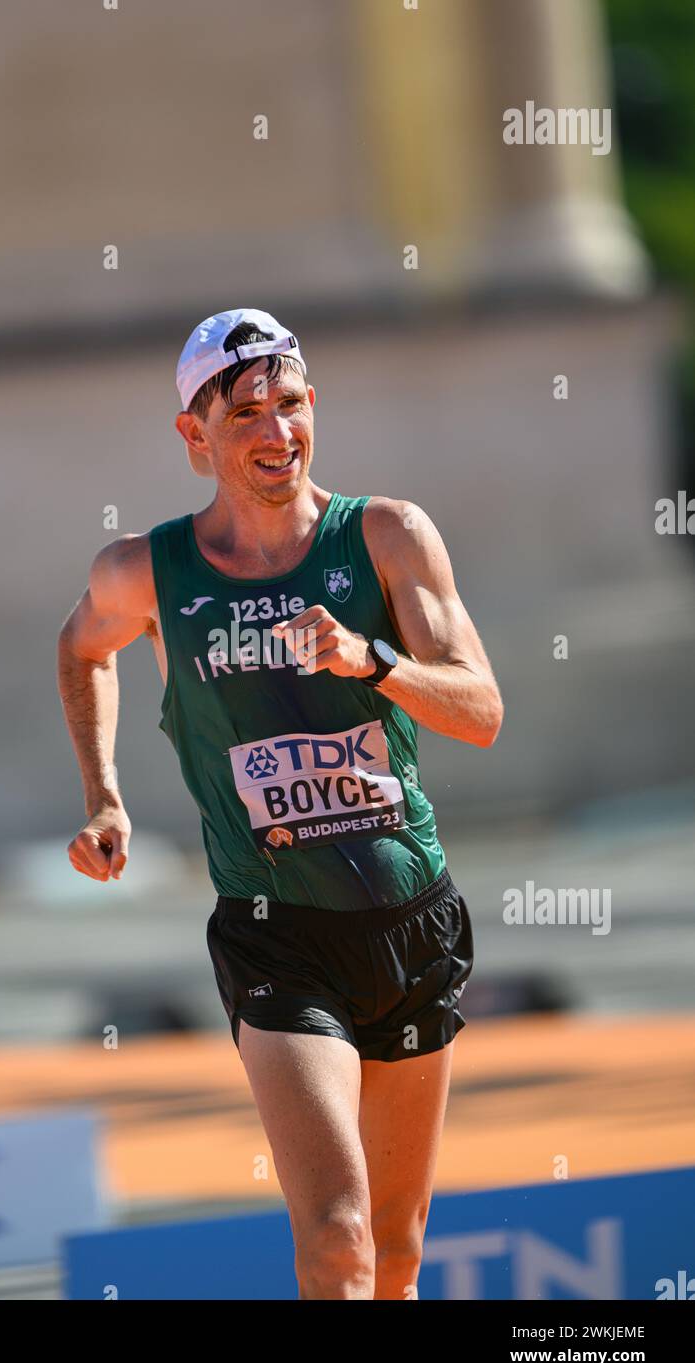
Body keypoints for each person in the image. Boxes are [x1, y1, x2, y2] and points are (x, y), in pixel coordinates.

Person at [57, 308, 504, 1300]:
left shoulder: (383, 534)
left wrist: (369, 657)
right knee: (337, 1236)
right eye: (246, 410)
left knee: (393, 1253)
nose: (275, 430)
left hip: (409, 918)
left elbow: (480, 710)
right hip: (275, 934)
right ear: (194, 435)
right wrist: (104, 796)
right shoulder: (145, 571)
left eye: (291, 402)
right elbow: (83, 647)